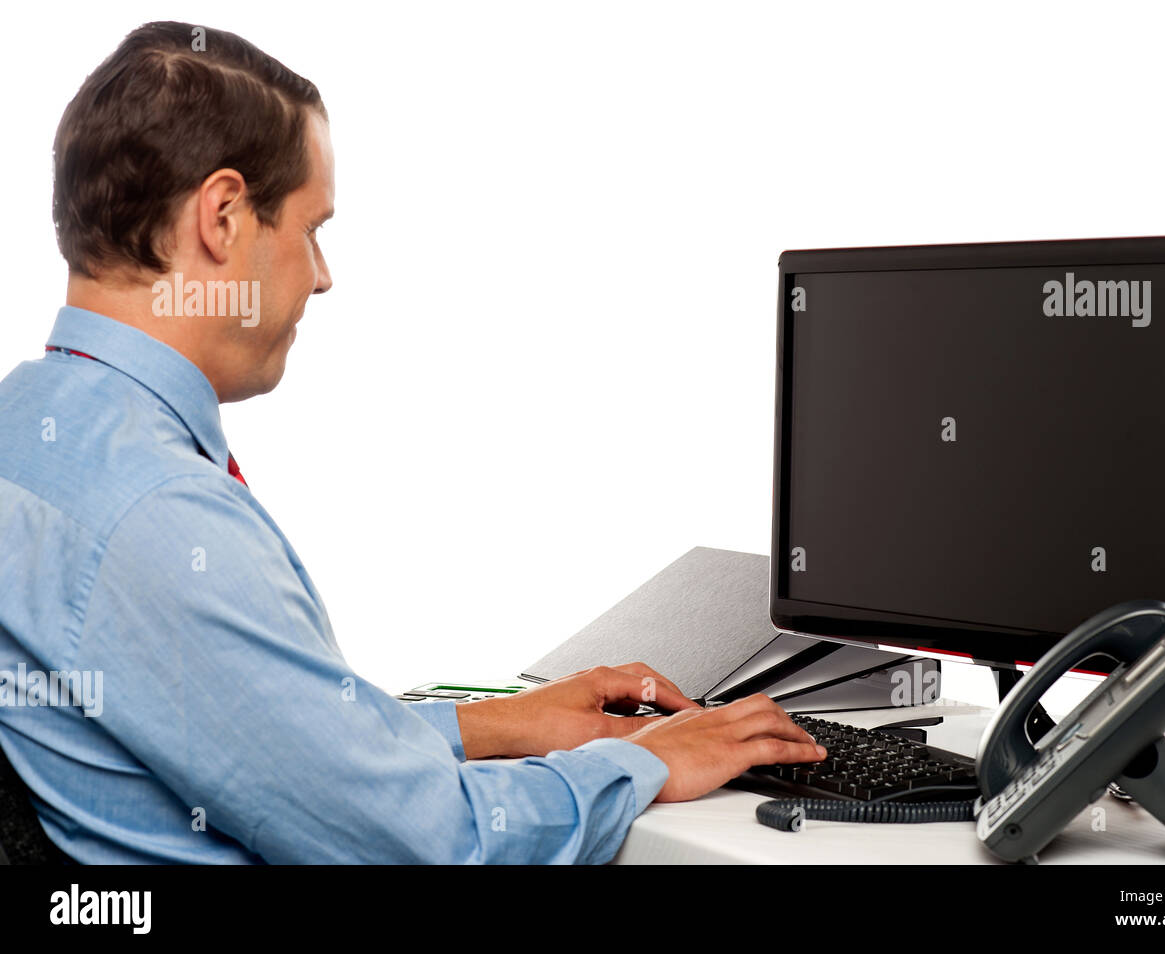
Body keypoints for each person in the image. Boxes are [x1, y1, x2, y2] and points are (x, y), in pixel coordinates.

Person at [0, 21, 824, 863]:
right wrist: (637, 762)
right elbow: (425, 843)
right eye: (310, 228)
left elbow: (262, 739)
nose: (322, 275)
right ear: (223, 216)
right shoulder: (159, 515)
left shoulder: (28, 432)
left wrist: (489, 725)